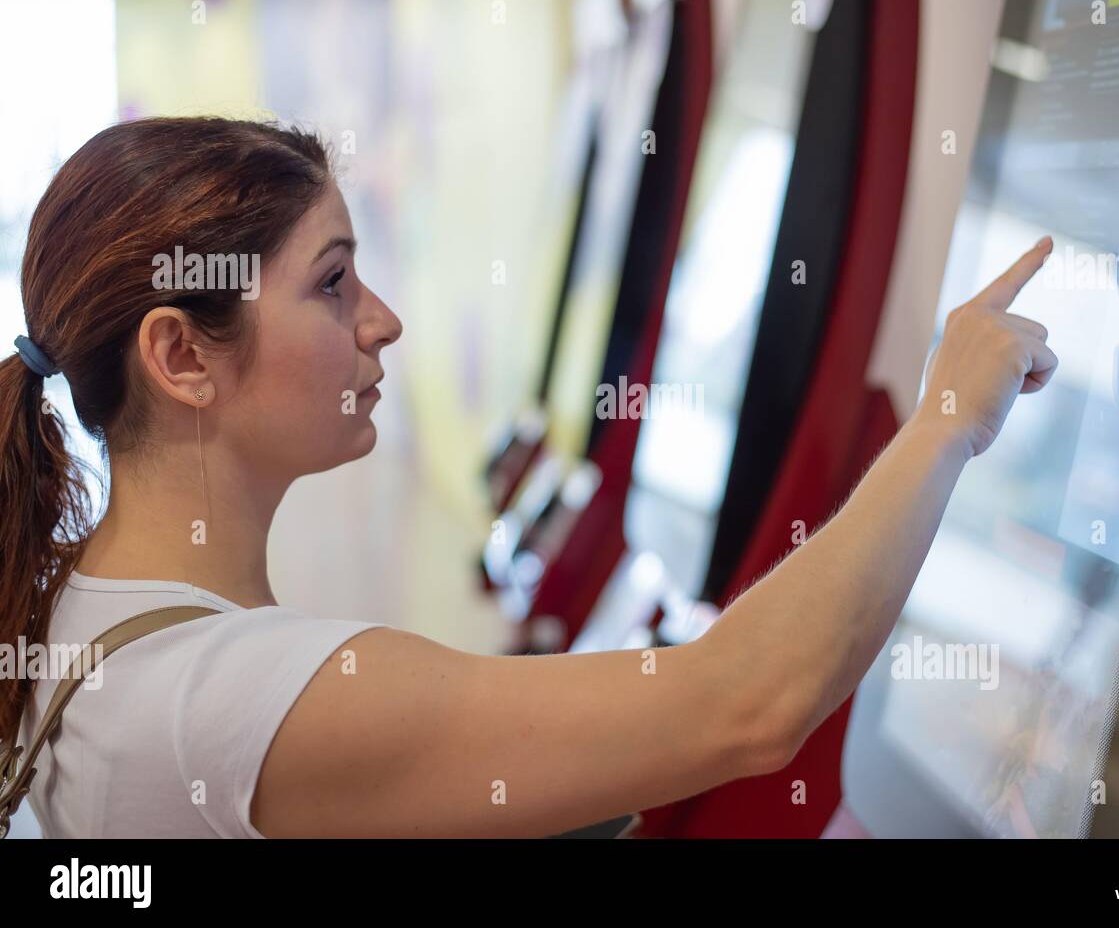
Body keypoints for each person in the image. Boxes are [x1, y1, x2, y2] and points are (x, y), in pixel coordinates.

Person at [0, 117, 1056, 838]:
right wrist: (949, 419)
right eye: (330, 284)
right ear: (182, 356)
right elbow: (747, 705)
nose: (382, 321)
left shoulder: (80, 608)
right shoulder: (222, 695)